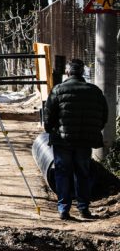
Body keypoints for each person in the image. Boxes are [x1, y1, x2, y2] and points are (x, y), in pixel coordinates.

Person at [43, 59, 109, 219]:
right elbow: (104, 116)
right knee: (82, 173)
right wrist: (91, 130)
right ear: (82, 73)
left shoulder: (58, 90)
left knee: (62, 173)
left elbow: (48, 116)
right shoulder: (95, 91)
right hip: (84, 142)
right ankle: (83, 209)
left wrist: (49, 130)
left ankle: (63, 209)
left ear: (68, 73)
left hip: (62, 140)